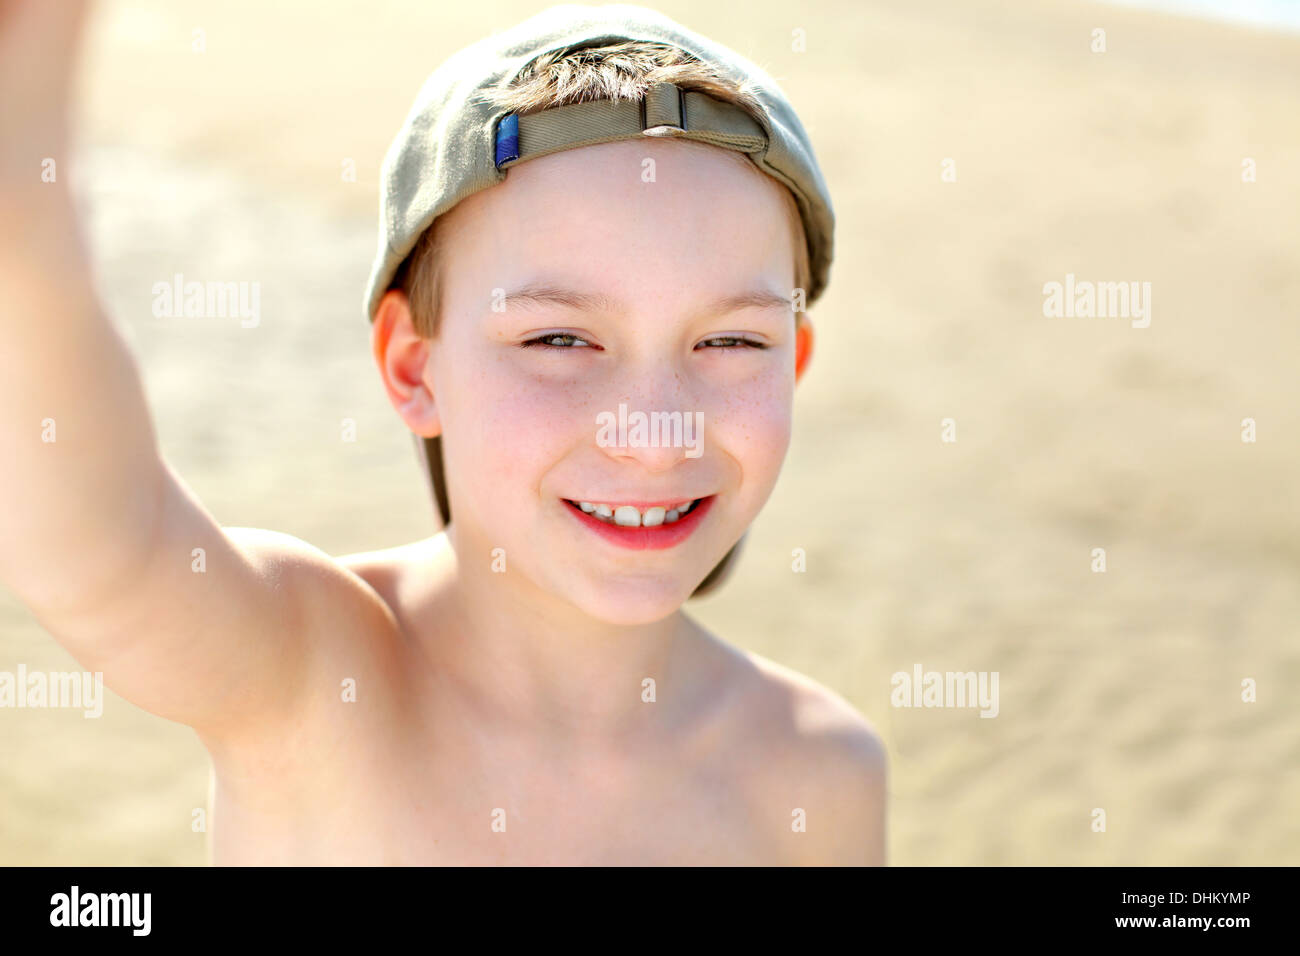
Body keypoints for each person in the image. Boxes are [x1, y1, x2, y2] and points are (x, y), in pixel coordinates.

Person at [0, 1, 885, 864]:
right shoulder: (312, 678)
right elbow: (101, 555)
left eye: (731, 340)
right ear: (415, 368)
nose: (654, 438)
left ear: (795, 361)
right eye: (560, 339)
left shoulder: (821, 778)